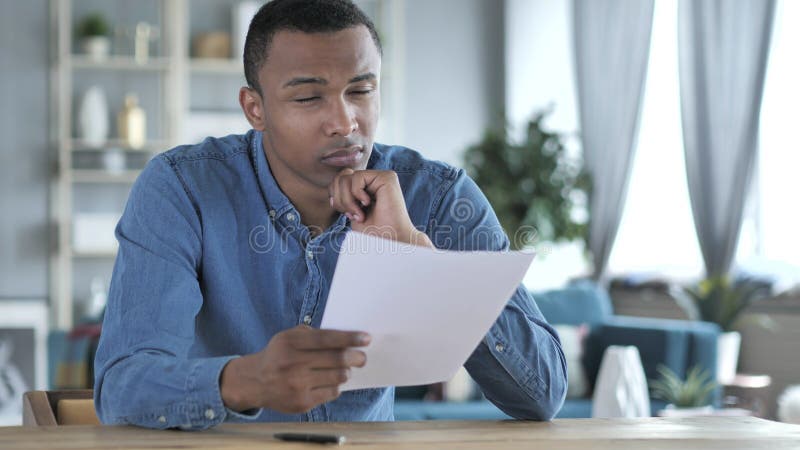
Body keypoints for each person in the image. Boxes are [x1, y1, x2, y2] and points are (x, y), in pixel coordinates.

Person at [93, 0, 566, 429]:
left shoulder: (439, 197)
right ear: (255, 108)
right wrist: (248, 379)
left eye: (361, 91)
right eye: (308, 98)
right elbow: (121, 386)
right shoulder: (182, 188)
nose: (345, 123)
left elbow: (542, 396)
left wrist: (425, 264)